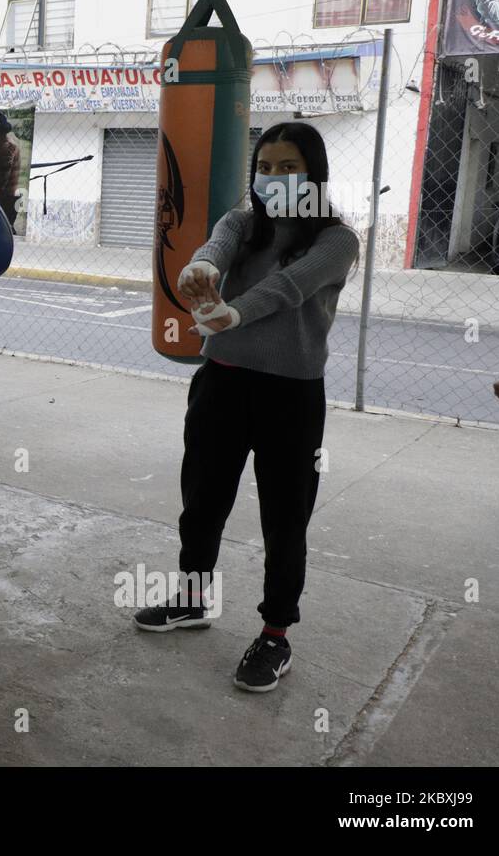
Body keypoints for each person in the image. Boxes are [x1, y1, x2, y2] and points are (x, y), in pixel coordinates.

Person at [132, 122, 360, 694]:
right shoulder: (242, 220)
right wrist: (201, 271)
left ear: (314, 173)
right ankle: (192, 600)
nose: (275, 178)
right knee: (202, 499)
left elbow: (289, 287)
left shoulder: (338, 240)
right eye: (267, 167)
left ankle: (275, 635)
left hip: (290, 393)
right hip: (223, 383)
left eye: (290, 168)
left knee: (285, 517)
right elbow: (216, 247)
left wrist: (232, 314)